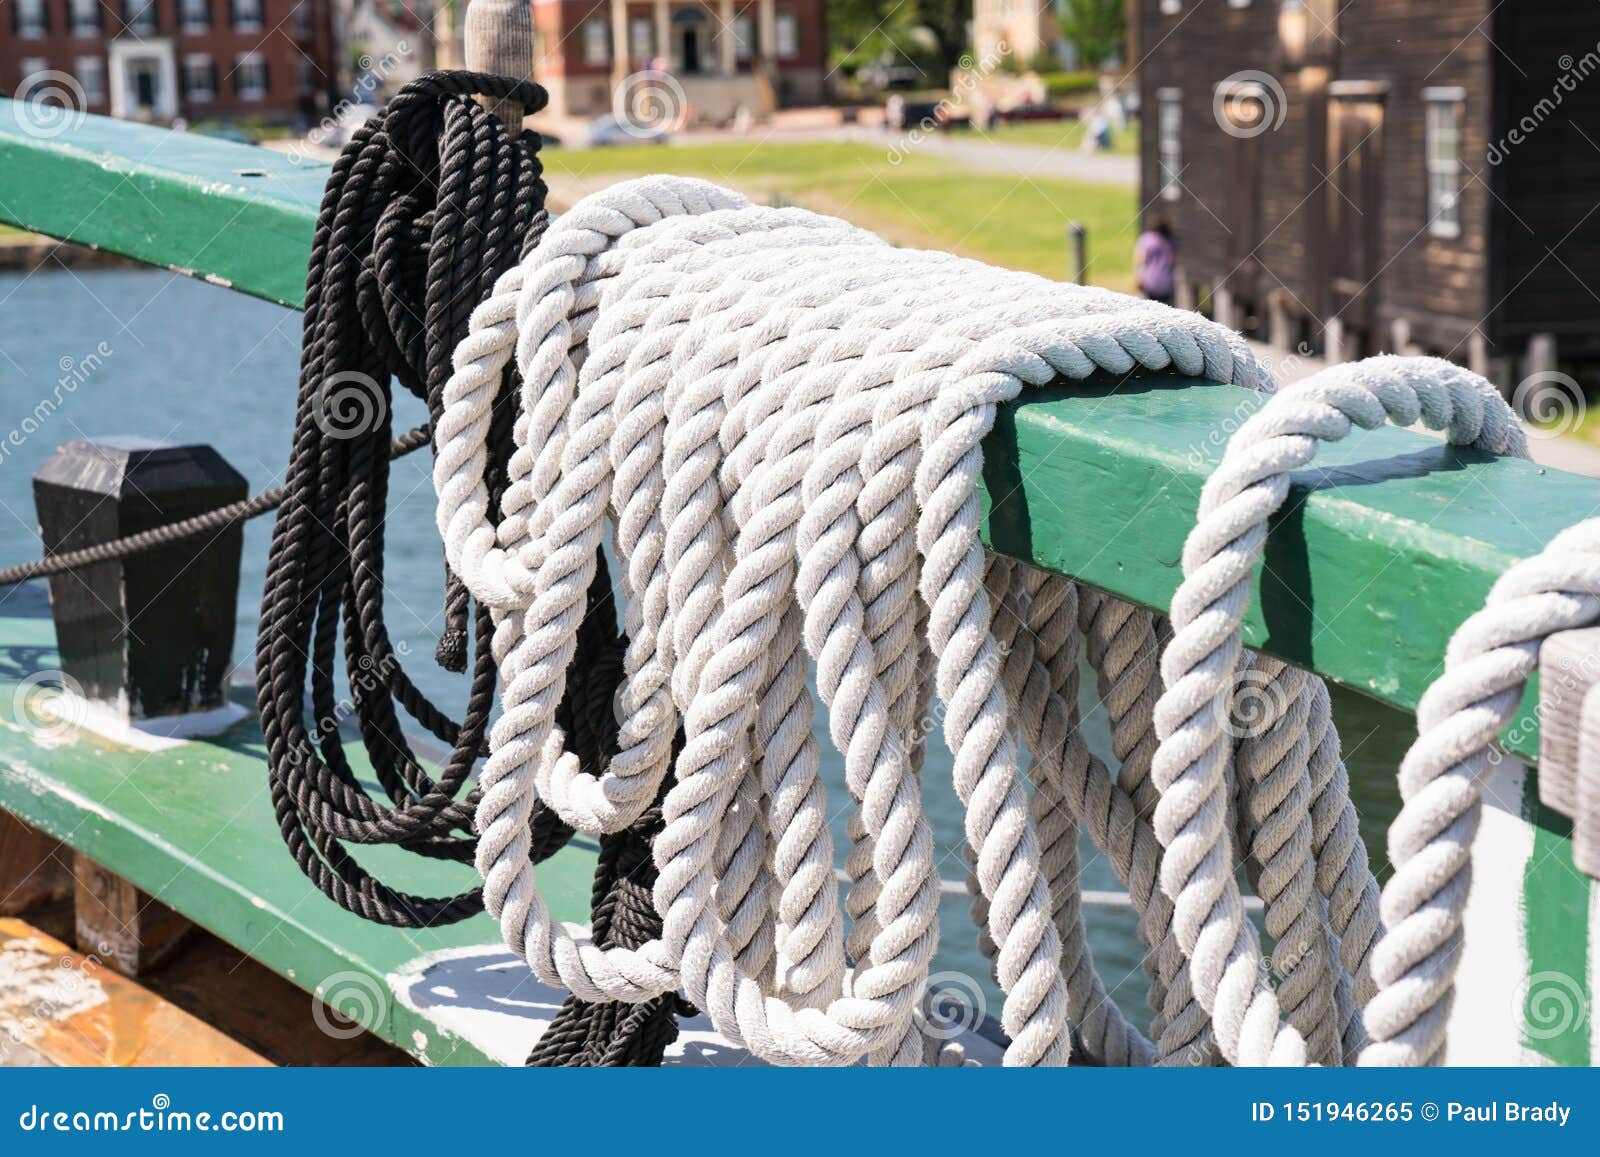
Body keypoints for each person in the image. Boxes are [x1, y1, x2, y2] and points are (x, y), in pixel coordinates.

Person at [1134, 220, 1177, 305]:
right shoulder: (1170, 240)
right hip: (1167, 282)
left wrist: (1138, 278)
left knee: (1148, 307)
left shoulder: (1146, 239)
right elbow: (1174, 260)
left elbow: (1141, 259)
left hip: (1149, 282)